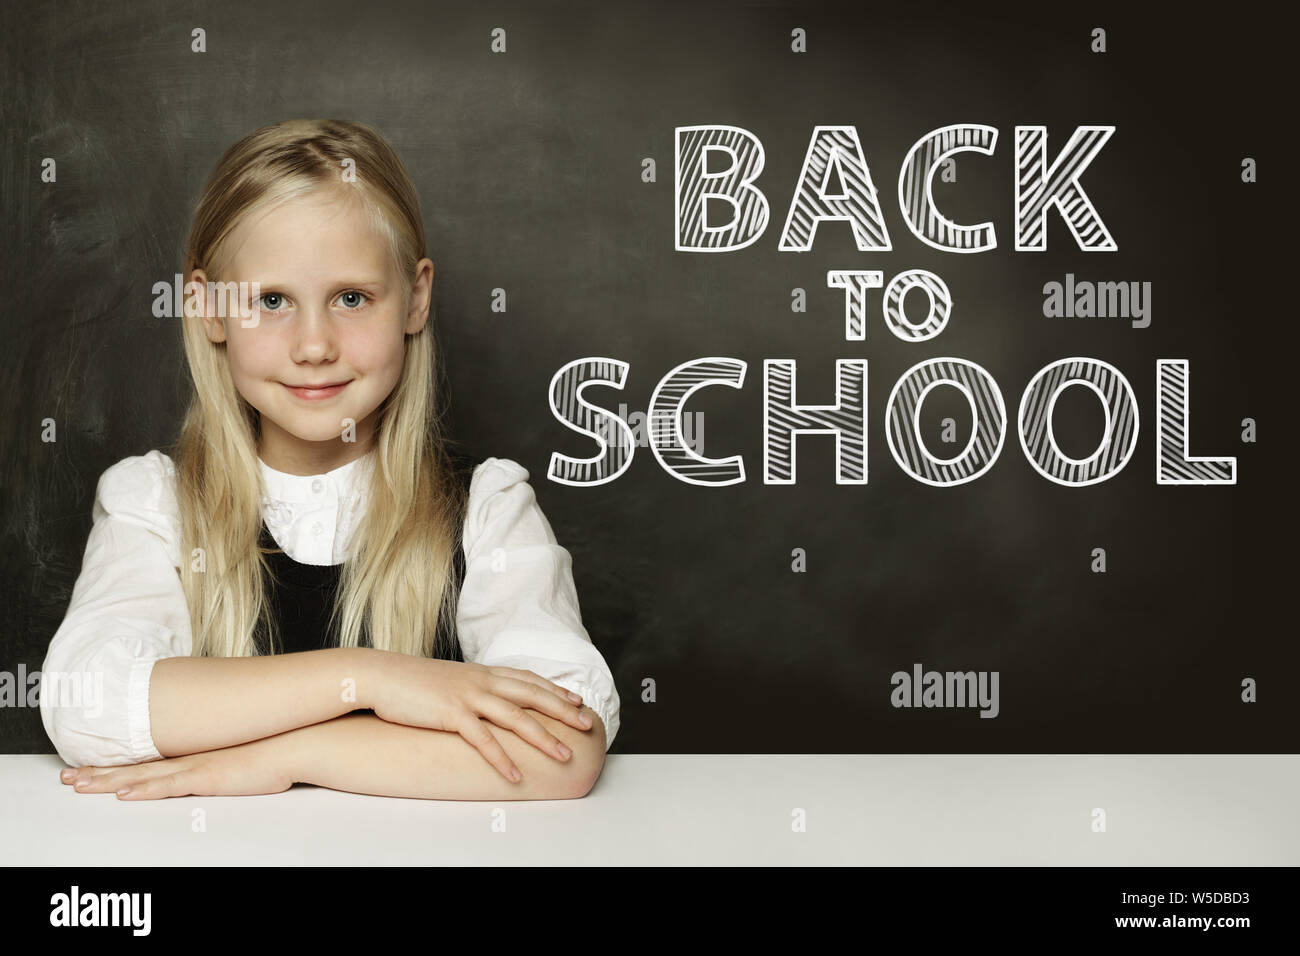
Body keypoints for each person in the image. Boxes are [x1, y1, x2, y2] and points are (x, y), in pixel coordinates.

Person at [39, 119, 619, 801]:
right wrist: (373, 679)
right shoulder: (154, 504)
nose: (314, 345)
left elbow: (564, 751)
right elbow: (87, 704)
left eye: (351, 298)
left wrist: (285, 757)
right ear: (209, 310)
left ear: (417, 297)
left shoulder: (485, 508)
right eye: (273, 301)